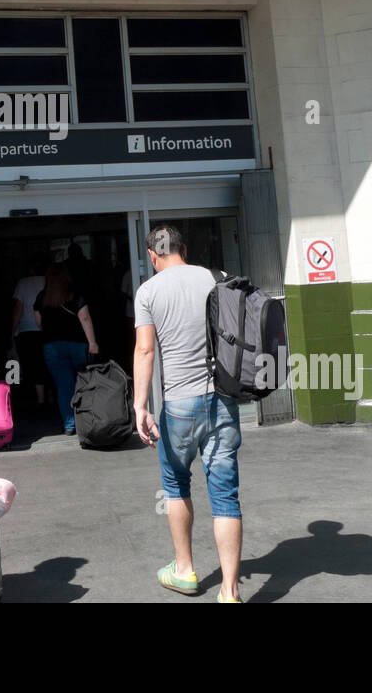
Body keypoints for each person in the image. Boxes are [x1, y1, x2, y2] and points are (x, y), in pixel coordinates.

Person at [132, 224, 243, 603]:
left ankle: (184, 570)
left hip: (179, 404)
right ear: (183, 248)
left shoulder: (148, 292)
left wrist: (140, 406)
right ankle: (229, 590)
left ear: (152, 255)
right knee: (225, 495)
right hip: (222, 399)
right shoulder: (215, 279)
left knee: (176, 484)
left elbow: (145, 350)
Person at [34, 262, 98, 434]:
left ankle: (70, 425)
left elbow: (39, 323)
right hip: (78, 345)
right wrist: (92, 343)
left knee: (64, 386)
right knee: (84, 383)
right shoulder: (74, 294)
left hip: (53, 347)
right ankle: (89, 421)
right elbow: (85, 318)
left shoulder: (42, 297)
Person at [11, 254, 49, 408]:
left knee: (32, 363)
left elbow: (18, 309)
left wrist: (12, 331)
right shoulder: (49, 280)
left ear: (31, 269)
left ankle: (39, 398)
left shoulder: (23, 283)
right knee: (47, 362)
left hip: (27, 329)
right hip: (47, 329)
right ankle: (50, 395)